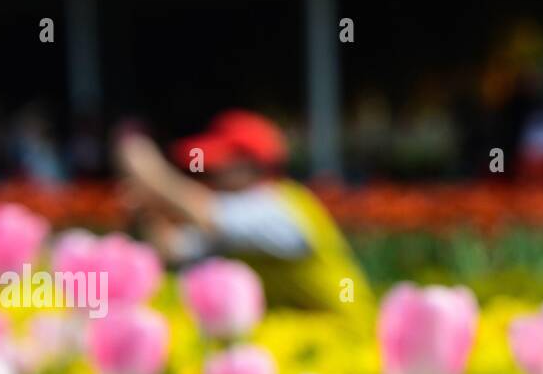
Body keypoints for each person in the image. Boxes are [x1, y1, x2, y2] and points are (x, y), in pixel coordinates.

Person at [115, 110, 371, 314]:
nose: (209, 172)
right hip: (301, 345)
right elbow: (172, 250)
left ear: (250, 165)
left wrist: (148, 170)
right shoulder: (236, 213)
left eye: (220, 163)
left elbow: (204, 212)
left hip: (346, 347)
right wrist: (147, 210)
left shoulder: (277, 206)